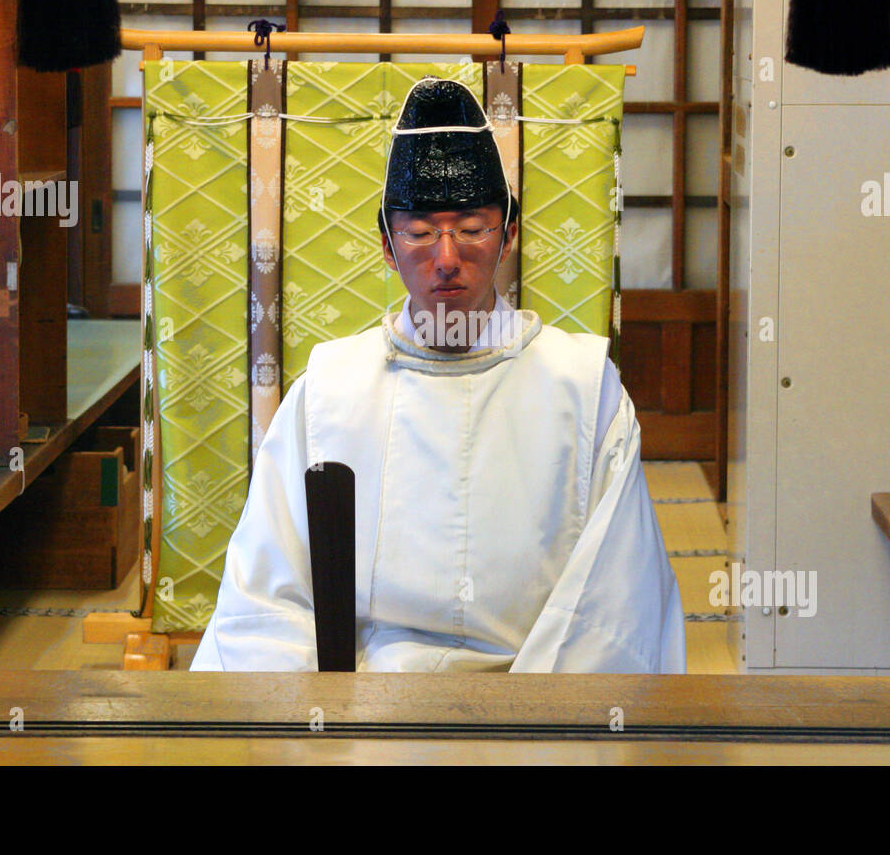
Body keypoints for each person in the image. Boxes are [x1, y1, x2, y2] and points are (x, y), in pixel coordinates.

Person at [190, 77, 685, 673]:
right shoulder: (329, 391)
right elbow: (264, 602)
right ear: (385, 243)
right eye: (421, 233)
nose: (446, 258)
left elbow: (614, 607)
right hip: (368, 714)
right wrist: (324, 726)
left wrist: (529, 737)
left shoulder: (584, 388)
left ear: (509, 233)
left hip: (529, 714)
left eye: (472, 228)